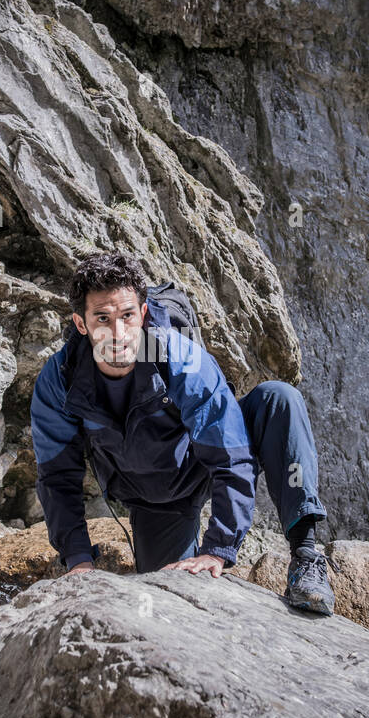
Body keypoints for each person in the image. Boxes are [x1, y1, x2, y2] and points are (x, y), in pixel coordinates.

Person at [29, 252, 337, 614]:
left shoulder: (179, 357)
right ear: (81, 324)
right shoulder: (60, 379)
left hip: (206, 458)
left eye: (127, 316)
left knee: (280, 399)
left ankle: (306, 556)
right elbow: (56, 477)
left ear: (142, 315)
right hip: (157, 497)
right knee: (166, 610)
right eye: (102, 318)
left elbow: (231, 455)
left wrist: (217, 550)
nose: (118, 333)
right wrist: (78, 559)